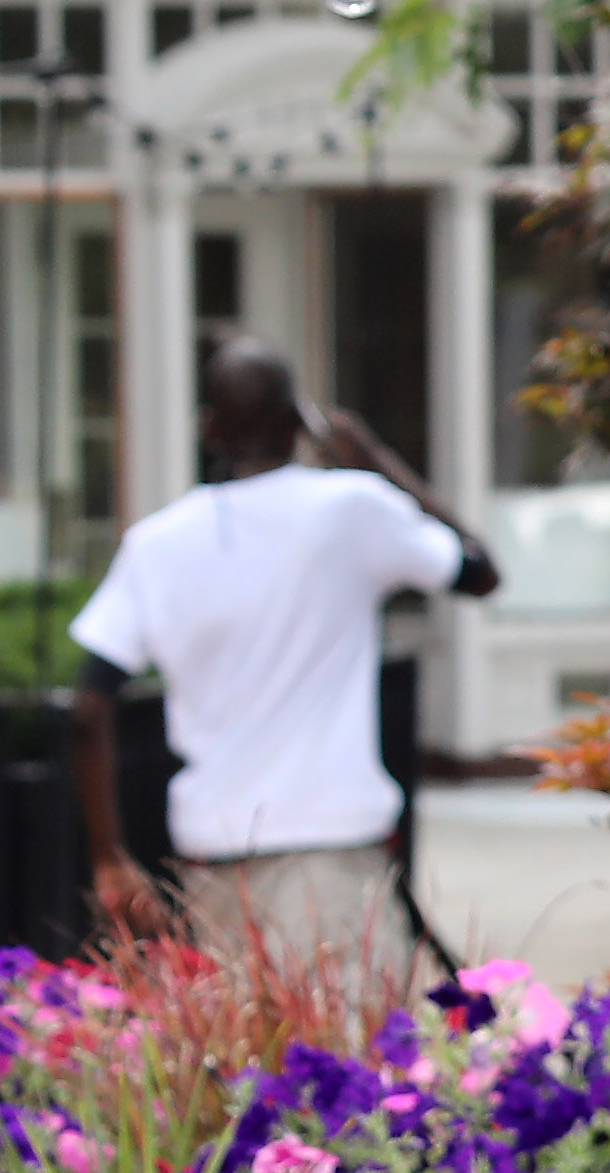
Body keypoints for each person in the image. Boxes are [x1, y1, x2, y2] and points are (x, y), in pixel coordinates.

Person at [65, 333, 501, 984]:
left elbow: (89, 704)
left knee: (243, 1070)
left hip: (212, 861)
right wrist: (378, 460)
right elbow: (479, 571)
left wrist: (109, 856)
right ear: (299, 422)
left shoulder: (156, 544)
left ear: (208, 428)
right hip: (330, 851)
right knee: (357, 1067)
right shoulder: (353, 509)